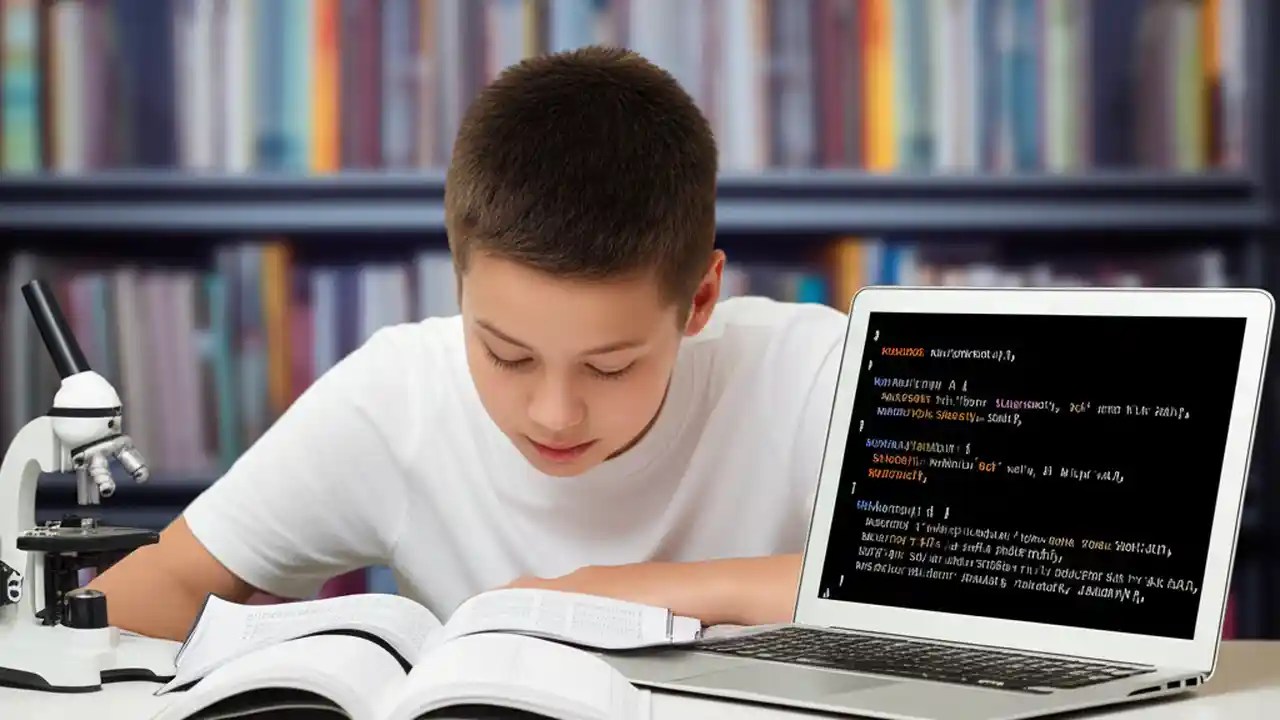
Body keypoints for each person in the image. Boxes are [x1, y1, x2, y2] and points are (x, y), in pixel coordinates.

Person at [88, 46, 848, 641]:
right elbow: (171, 575)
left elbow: (959, 595)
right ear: (458, 292)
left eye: (610, 366)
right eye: (507, 355)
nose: (554, 413)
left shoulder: (814, 372)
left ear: (701, 300)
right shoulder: (399, 396)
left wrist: (620, 592)